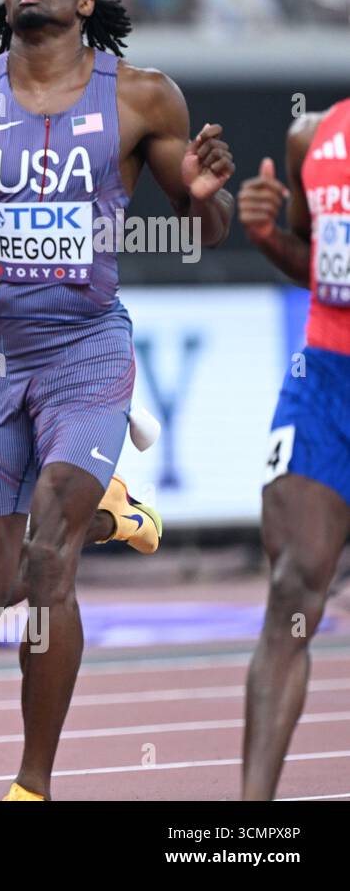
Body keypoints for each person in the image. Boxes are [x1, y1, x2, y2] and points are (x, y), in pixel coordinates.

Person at [0, 0, 235, 800]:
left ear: (88, 2)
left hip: (88, 353)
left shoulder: (141, 95)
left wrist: (207, 198)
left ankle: (31, 785)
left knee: (47, 563)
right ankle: (110, 512)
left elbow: (208, 232)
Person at [239, 97, 350, 800]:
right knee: (291, 592)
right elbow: (316, 264)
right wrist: (262, 233)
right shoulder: (315, 134)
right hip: (325, 380)